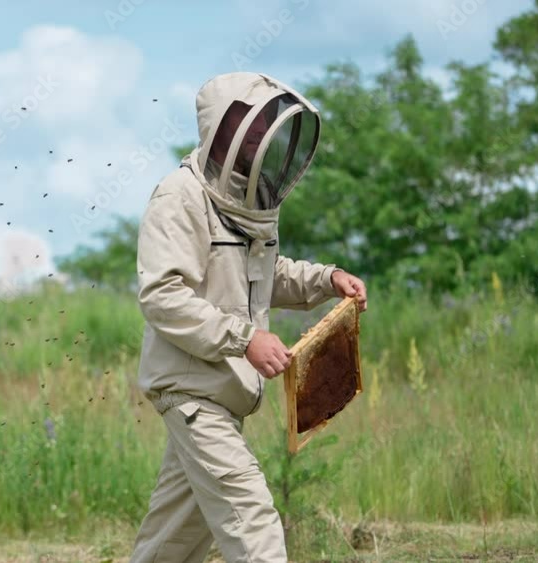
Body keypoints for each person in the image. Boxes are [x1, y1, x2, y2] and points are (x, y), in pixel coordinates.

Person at [129, 72, 368, 562]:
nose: (260, 132)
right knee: (252, 517)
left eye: (265, 122)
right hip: (192, 393)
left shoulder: (246, 198)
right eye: (247, 119)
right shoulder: (179, 197)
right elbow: (162, 296)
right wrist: (244, 339)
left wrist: (327, 279)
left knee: (170, 546)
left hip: (222, 397)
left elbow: (264, 276)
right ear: (220, 126)